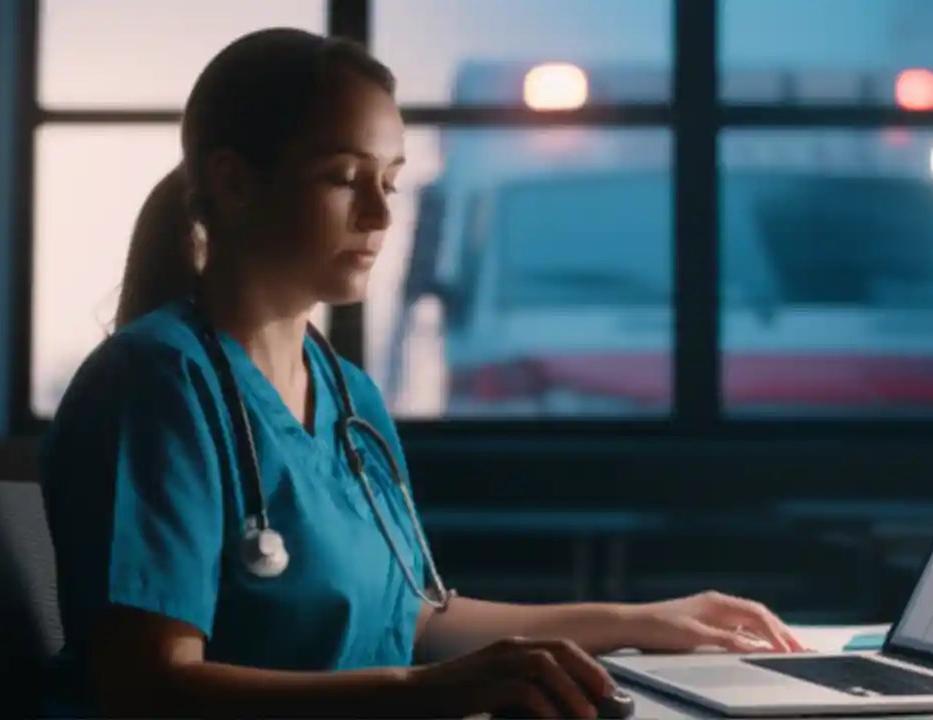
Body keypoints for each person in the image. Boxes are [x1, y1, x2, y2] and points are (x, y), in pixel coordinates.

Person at [39, 28, 804, 719]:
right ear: (235, 182)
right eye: (343, 177)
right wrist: (426, 693)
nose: (379, 214)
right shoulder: (156, 384)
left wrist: (635, 622)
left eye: (391, 180)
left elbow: (411, 620)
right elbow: (146, 689)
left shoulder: (348, 396)